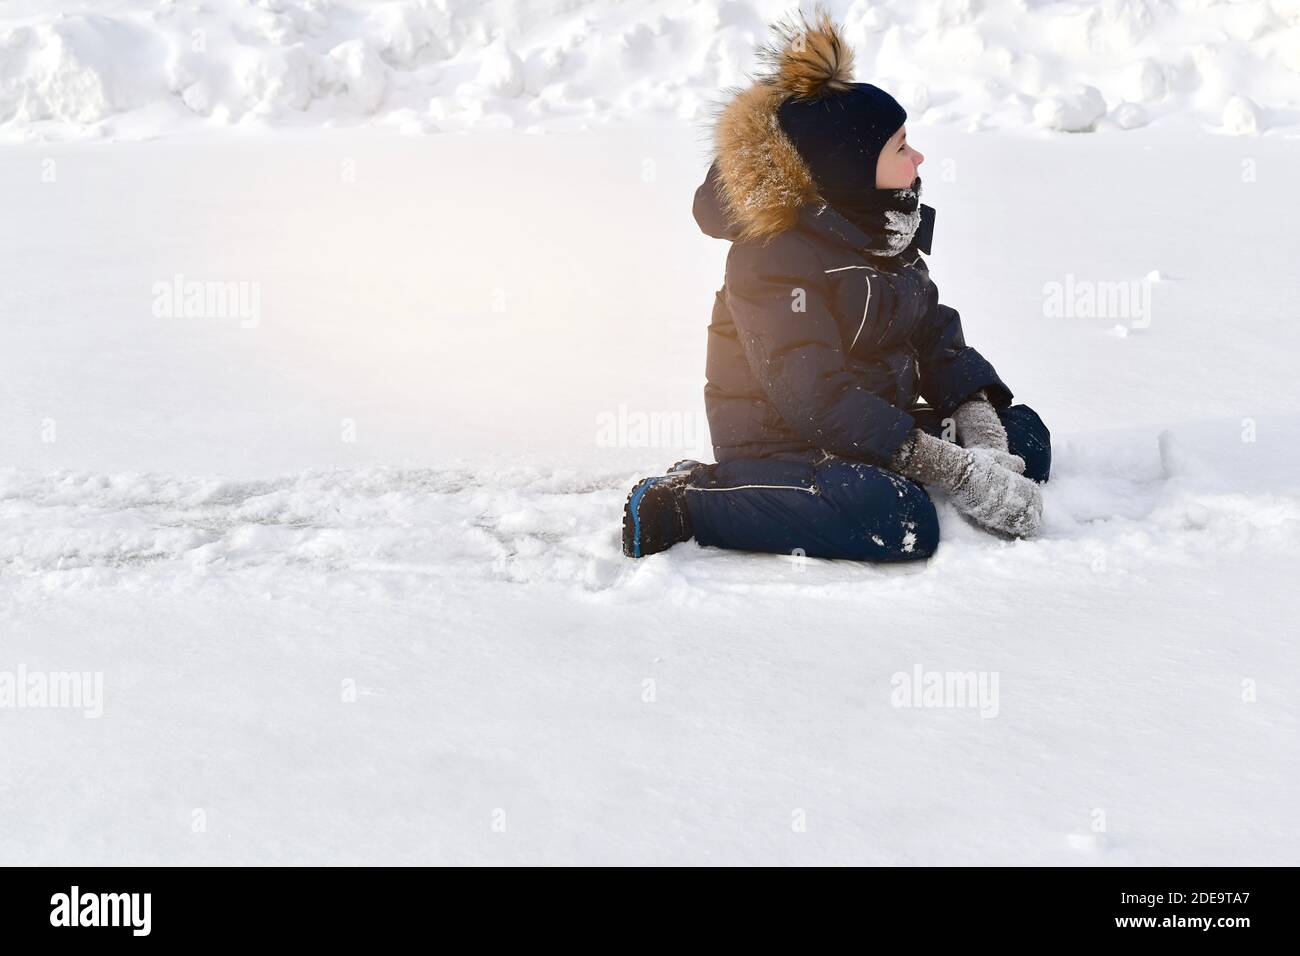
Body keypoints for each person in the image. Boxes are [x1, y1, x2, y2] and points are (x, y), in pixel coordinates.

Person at [622, 8, 1050, 561]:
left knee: (1027, 438)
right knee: (897, 519)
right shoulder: (771, 258)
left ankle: (925, 461)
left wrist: (984, 442)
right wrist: (958, 473)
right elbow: (814, 399)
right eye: (900, 147)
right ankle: (690, 498)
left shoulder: (883, 228)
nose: (918, 157)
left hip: (872, 428)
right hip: (787, 441)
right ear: (850, 169)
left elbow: (936, 336)